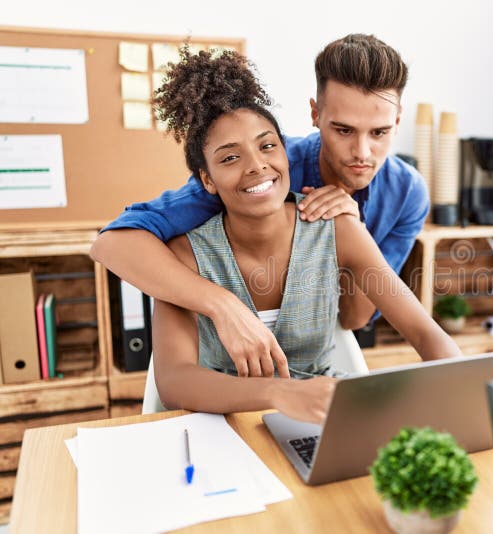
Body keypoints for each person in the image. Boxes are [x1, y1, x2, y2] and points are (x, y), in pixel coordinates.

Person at [90, 34, 428, 379]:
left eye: (379, 132)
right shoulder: (262, 175)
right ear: (315, 113)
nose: (362, 152)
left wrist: (355, 232)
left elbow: (355, 319)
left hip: (312, 373)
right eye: (343, 130)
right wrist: (222, 305)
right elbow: (111, 243)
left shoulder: (408, 194)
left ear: (397, 122)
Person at [150, 49, 460, 423]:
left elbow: (419, 332)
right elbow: (175, 381)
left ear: (284, 152)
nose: (257, 166)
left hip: (319, 420)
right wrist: (279, 392)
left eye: (267, 146)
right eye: (231, 158)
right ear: (206, 181)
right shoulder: (183, 254)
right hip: (220, 427)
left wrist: (468, 401)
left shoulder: (345, 225)